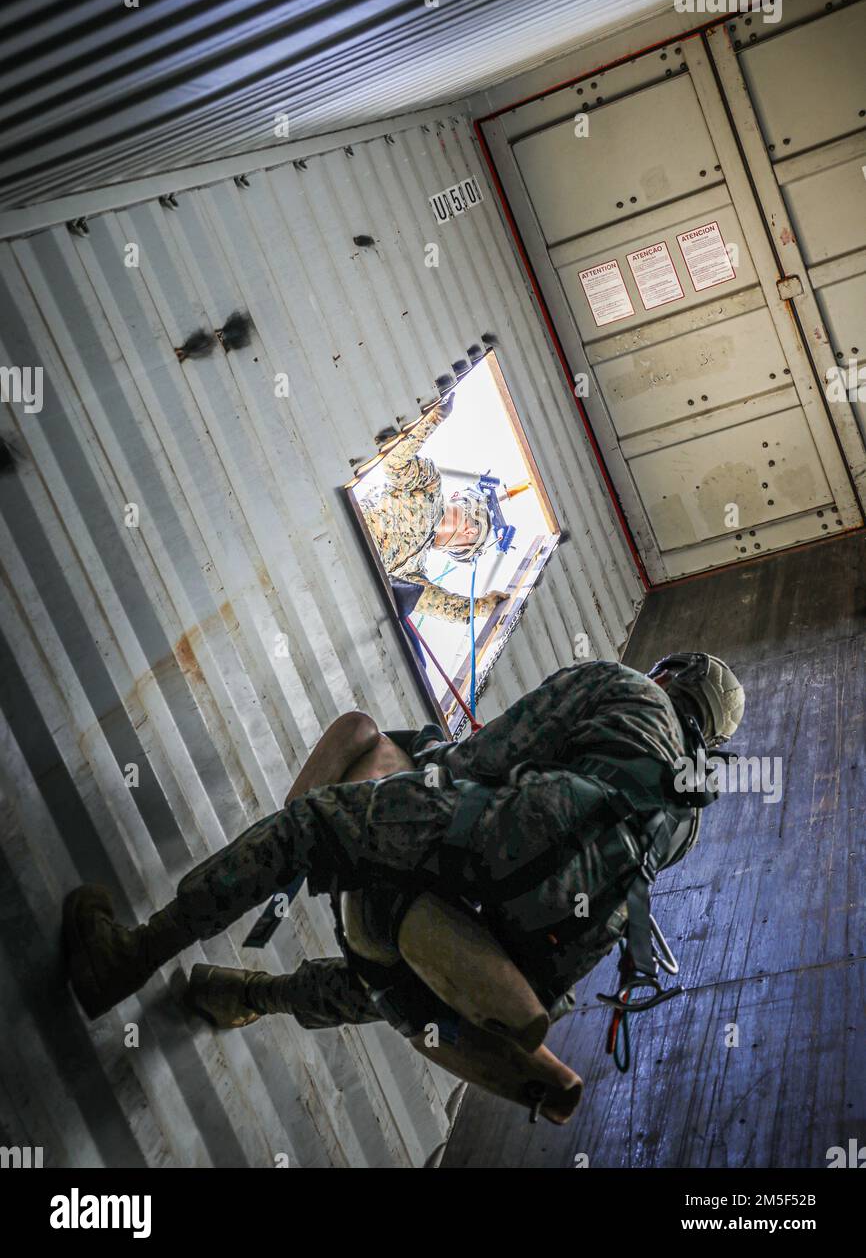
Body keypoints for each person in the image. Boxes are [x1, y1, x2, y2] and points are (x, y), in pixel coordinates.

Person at [63, 652, 744, 1123]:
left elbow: (492, 755)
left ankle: (129, 956)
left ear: (671, 674)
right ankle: (243, 995)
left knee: (313, 826)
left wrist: (423, 763)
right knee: (389, 983)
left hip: (494, 850)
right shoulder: (687, 819)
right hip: (538, 956)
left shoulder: (625, 687)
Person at [359, 394, 508, 623]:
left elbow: (431, 602)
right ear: (469, 532)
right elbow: (394, 463)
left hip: (352, 570)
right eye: (473, 531)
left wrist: (479, 607)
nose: (468, 531)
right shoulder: (430, 486)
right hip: (347, 526)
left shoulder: (412, 569)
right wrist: (434, 418)